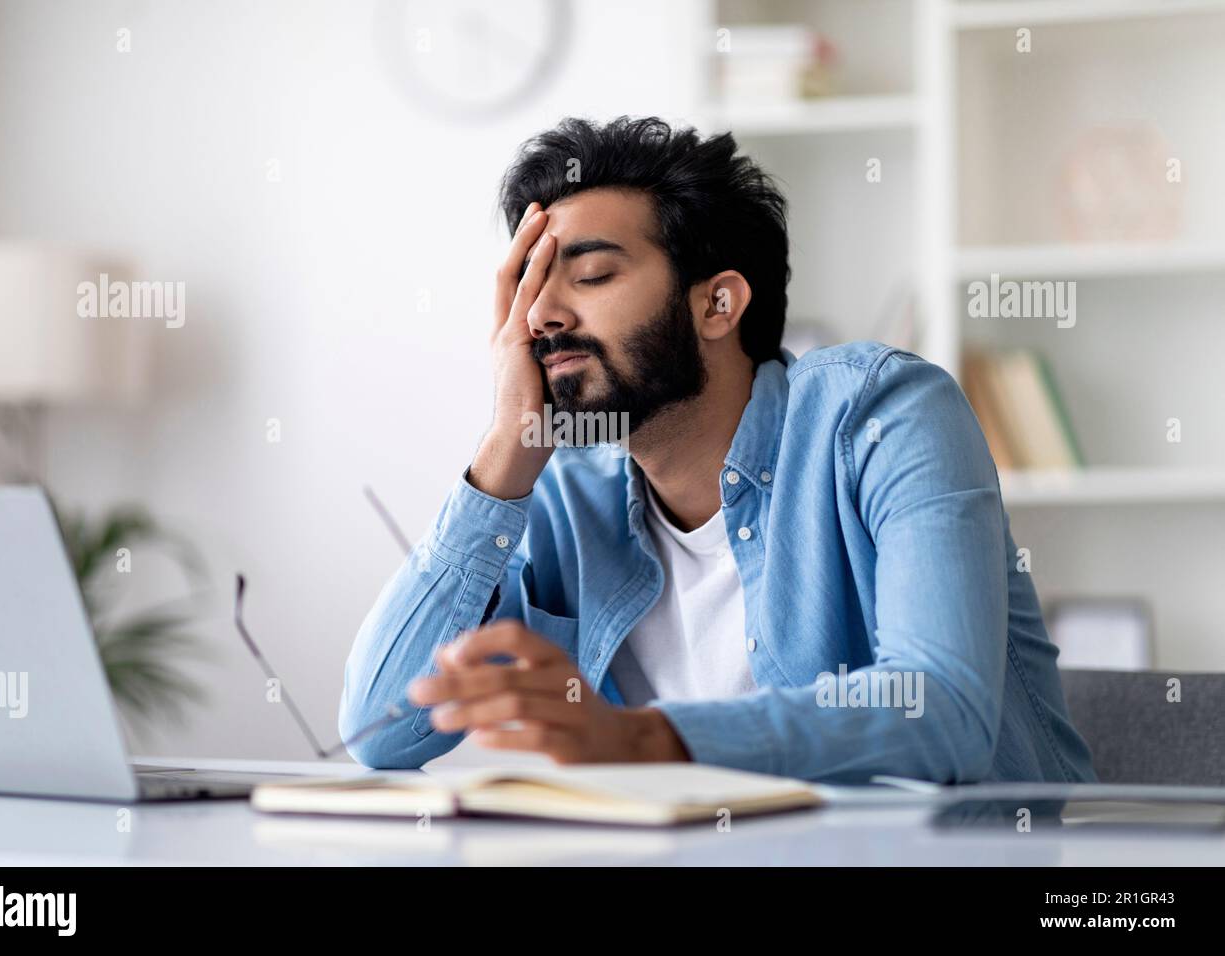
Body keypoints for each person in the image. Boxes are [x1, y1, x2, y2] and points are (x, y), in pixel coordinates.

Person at [339, 116, 1097, 783]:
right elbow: (380, 731)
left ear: (719, 302)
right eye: (530, 288)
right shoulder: (563, 490)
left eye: (592, 274)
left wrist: (643, 740)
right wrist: (505, 449)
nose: (540, 316)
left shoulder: (881, 413)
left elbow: (943, 712)